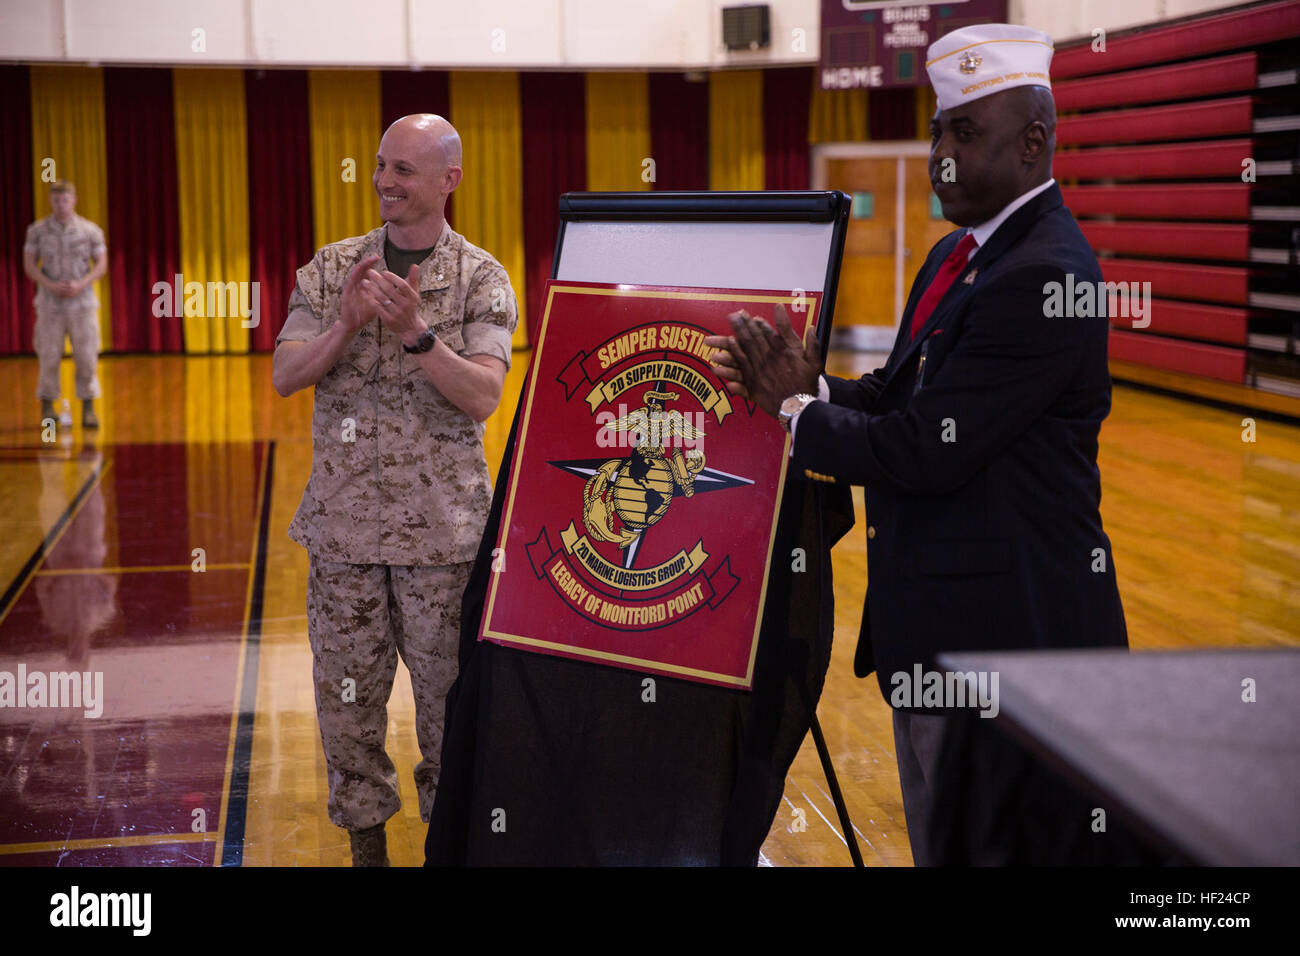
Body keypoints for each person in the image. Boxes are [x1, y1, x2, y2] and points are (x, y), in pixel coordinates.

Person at [706, 24, 1128, 866]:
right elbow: (900, 398)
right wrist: (813, 390)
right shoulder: (958, 255)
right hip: (937, 634)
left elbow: (923, 451)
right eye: (939, 130)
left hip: (1008, 650)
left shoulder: (1045, 275)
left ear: (1034, 141)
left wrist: (794, 406)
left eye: (965, 133)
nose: (941, 153)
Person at [272, 114, 517, 866]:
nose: (384, 181)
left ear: (450, 179)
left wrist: (419, 334)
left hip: (442, 542)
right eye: (381, 165)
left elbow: (483, 396)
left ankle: (450, 848)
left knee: (449, 714)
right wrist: (344, 325)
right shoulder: (332, 267)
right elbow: (285, 375)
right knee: (347, 710)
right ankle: (368, 850)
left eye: (404, 169)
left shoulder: (481, 277)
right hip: (344, 538)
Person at [22, 180, 108, 430]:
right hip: (50, 305)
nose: (61, 205)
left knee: (87, 356)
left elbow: (101, 264)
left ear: (74, 200)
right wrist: (48, 284)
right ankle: (48, 407)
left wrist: (82, 283)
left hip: (82, 304)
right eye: (57, 200)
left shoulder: (90, 230)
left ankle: (89, 408)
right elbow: (29, 264)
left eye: (66, 200)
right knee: (48, 355)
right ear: (51, 201)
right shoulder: (37, 231)